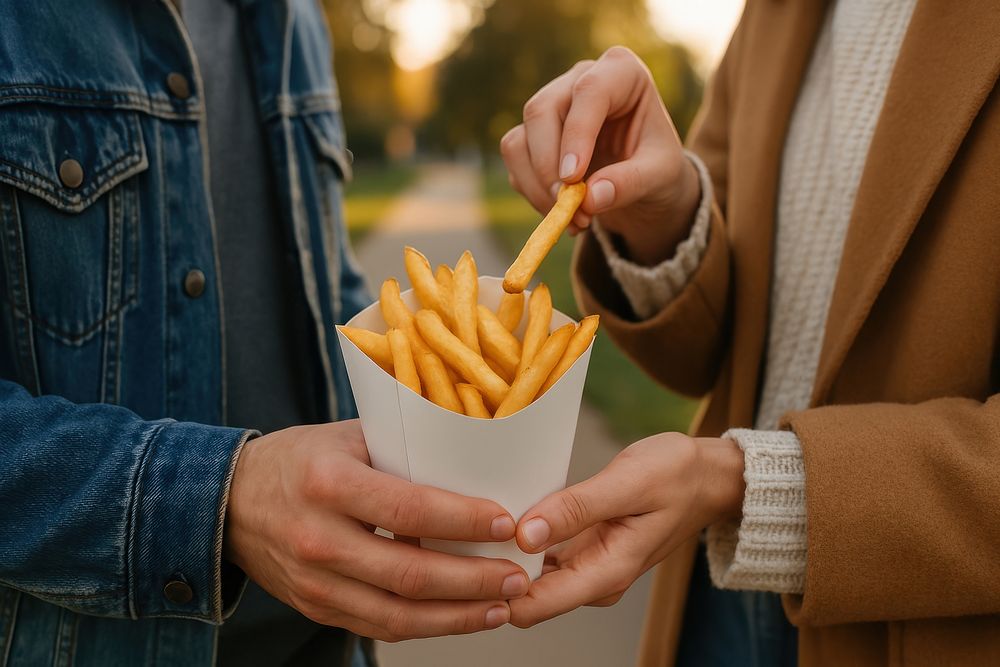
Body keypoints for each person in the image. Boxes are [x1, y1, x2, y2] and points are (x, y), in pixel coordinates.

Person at [0, 1, 528, 665]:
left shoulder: (295, 17)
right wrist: (221, 498)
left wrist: (484, 444)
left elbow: (330, 299)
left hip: (324, 644)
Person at [500, 0, 1000, 665]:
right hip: (714, 590)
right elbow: (705, 349)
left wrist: (751, 482)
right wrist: (660, 211)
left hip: (921, 629)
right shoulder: (776, 13)